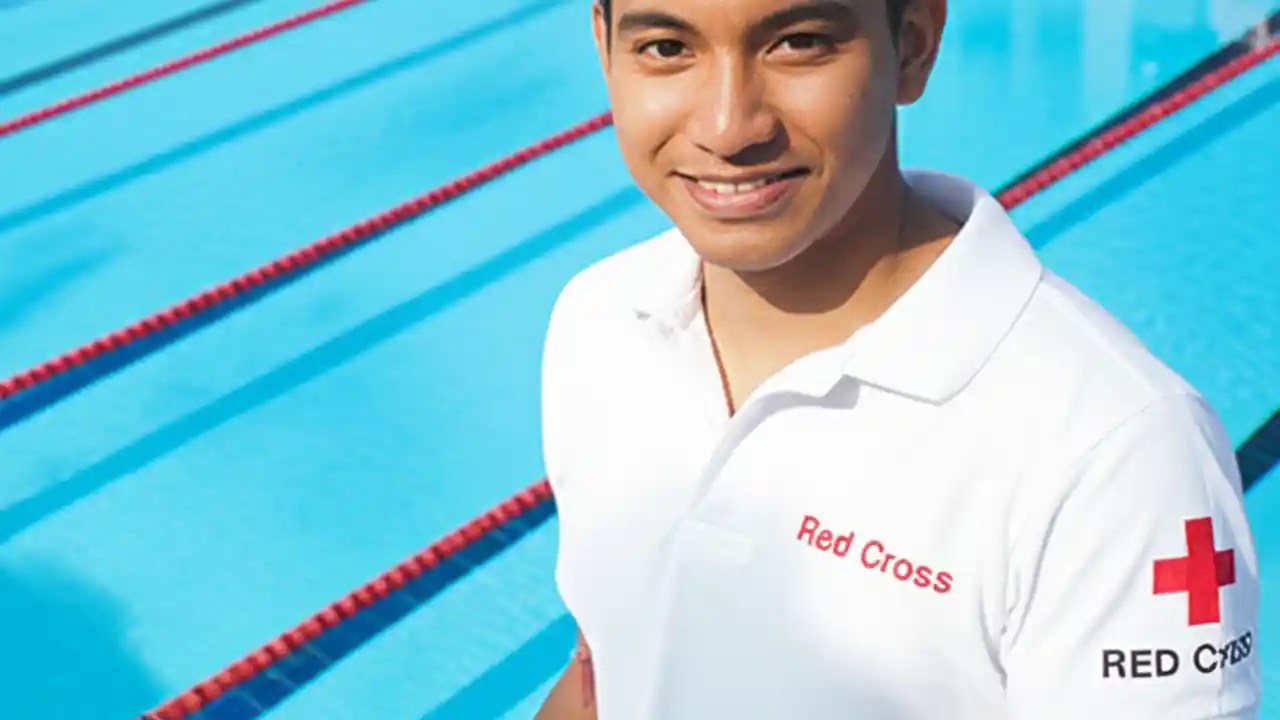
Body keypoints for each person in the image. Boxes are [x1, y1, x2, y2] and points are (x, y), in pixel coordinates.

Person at [536, 0, 1261, 717]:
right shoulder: (600, 321)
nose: (729, 126)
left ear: (912, 46)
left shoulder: (1113, 449)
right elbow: (610, 673)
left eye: (798, 42)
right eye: (667, 48)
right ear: (605, 48)